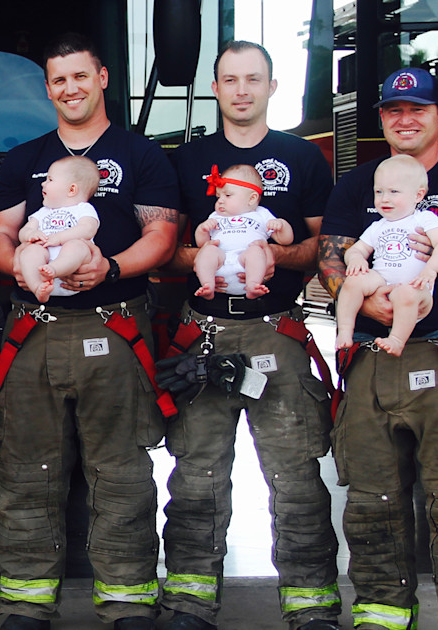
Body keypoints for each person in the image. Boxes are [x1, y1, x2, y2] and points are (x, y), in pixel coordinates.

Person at [0, 32, 178, 630]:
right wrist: (18, 263)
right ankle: (26, 603)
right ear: (48, 89)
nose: (69, 88)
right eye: (58, 80)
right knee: (25, 467)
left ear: (102, 79)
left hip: (115, 328)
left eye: (80, 76)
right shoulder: (24, 159)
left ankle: (127, 602)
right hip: (33, 328)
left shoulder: (141, 154)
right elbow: (0, 235)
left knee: (119, 468)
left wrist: (111, 267)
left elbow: (163, 236)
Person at [161, 41, 340, 630]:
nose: (242, 90)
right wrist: (207, 256)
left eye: (253, 79)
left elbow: (322, 246)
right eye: (230, 80)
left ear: (272, 87)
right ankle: (188, 605)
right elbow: (170, 247)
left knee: (294, 475)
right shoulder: (186, 160)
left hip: (277, 332)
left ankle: (311, 606)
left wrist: (271, 253)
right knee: (197, 475)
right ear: (215, 88)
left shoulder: (304, 157)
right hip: (204, 332)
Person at [319, 66, 438, 630]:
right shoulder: (358, 185)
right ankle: (382, 614)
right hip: (372, 359)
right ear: (381, 118)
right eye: (393, 111)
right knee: (372, 497)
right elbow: (333, 257)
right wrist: (367, 301)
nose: (404, 120)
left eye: (417, 110)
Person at [335, 155, 438, 355]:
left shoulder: (424, 218)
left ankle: (397, 340)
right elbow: (357, 249)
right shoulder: (377, 226)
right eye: (378, 192)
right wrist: (355, 259)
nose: (384, 198)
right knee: (353, 282)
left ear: (418, 195)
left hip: (415, 286)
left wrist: (431, 269)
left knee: (405, 294)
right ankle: (346, 331)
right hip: (381, 279)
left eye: (393, 192)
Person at [191, 164, 293, 299]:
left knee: (256, 251)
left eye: (227, 195)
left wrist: (281, 225)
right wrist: (202, 229)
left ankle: (253, 286)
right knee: (208, 251)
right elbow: (202, 244)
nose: (220, 201)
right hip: (220, 263)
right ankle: (207, 285)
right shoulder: (215, 216)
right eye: (218, 197)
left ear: (252, 199)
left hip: (246, 264)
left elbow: (286, 240)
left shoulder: (261, 214)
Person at [14, 155, 100, 303]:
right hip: (41, 269)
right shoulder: (43, 211)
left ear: (72, 189)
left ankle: (54, 270)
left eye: (50, 179)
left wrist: (59, 238)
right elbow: (23, 232)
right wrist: (31, 234)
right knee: (30, 250)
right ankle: (37, 287)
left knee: (77, 246)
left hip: (73, 271)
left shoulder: (83, 209)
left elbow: (88, 229)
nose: (43, 184)